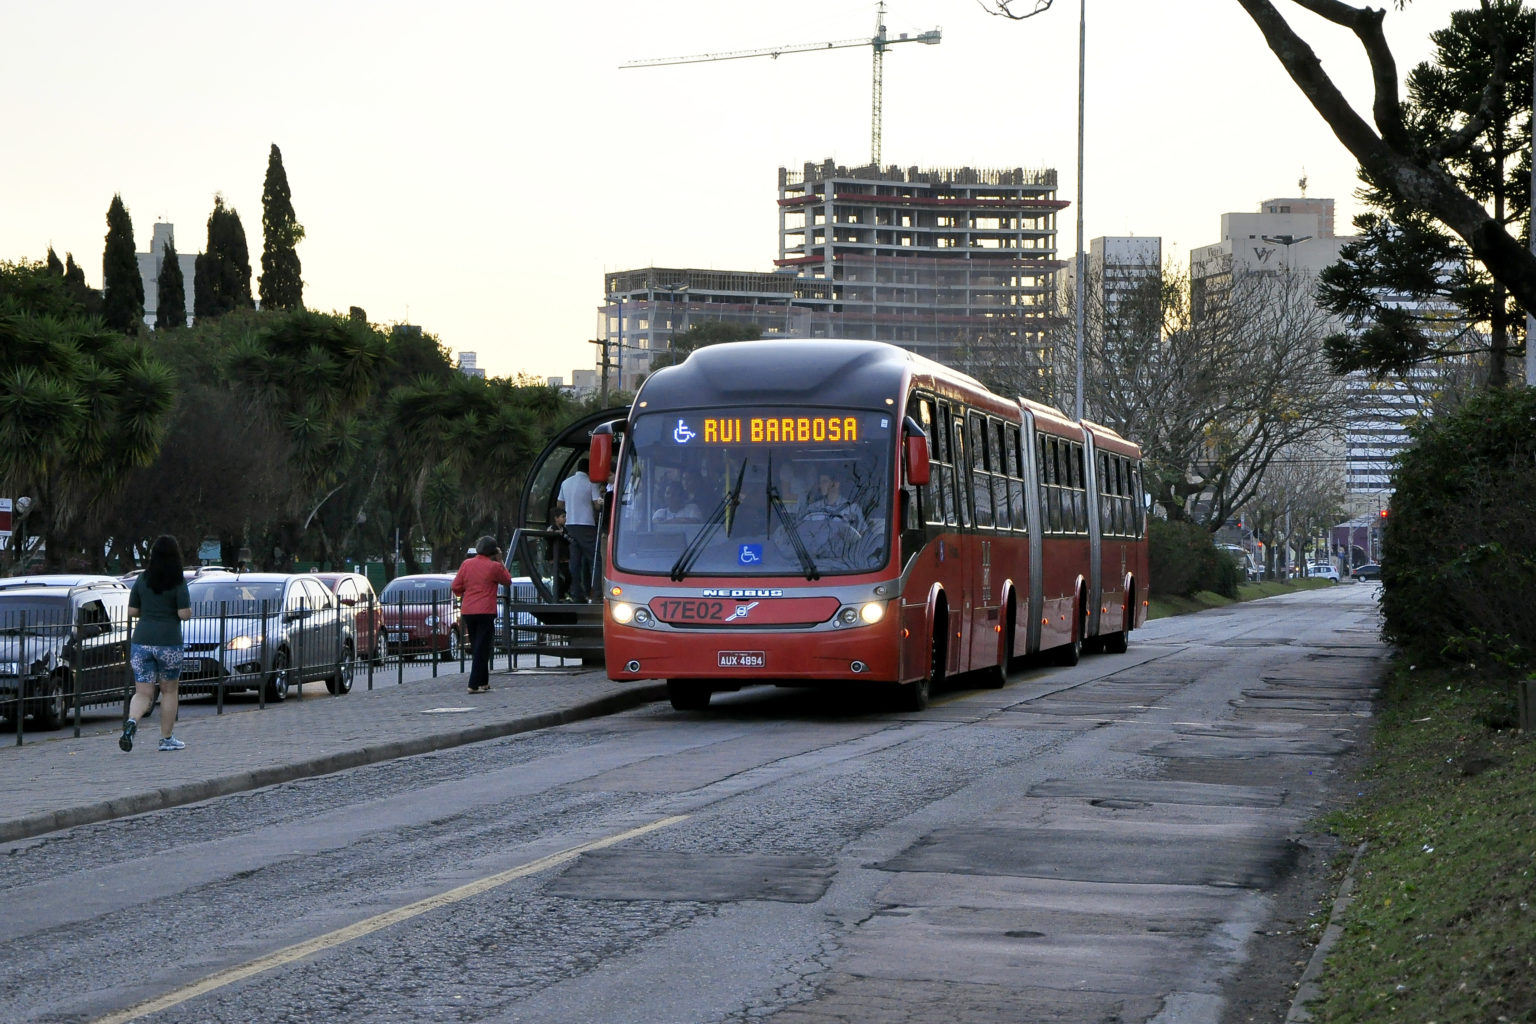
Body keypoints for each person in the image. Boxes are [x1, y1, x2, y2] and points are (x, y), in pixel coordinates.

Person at [119, 534, 192, 753]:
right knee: (169, 690)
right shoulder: (178, 581)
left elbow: (132, 611)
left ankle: (132, 722)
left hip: (141, 642)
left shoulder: (143, 579)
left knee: (143, 692)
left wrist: (149, 610)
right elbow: (184, 614)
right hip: (169, 642)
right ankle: (166, 738)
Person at [452, 535, 513, 694]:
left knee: (478, 645)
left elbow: (456, 586)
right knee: (482, 647)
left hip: (468, 611)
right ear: (493, 551)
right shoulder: (494, 567)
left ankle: (483, 681)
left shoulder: (466, 564)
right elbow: (507, 580)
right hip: (486, 610)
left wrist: (465, 592)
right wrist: (500, 560)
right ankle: (473, 684)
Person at [556, 458, 602, 602]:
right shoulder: (591, 483)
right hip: (586, 525)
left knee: (574, 562)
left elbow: (560, 503)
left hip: (570, 525)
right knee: (595, 560)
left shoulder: (566, 482)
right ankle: (596, 594)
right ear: (589, 470)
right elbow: (597, 505)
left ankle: (577, 594)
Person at [805, 468, 865, 534]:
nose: (821, 485)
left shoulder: (853, 509)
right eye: (820, 482)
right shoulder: (813, 508)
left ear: (836, 484)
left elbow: (862, 534)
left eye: (825, 481)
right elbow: (805, 531)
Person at [547, 509, 572, 601]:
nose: (565, 519)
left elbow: (569, 540)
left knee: (568, 577)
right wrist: (554, 534)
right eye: (563, 517)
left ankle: (562, 595)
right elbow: (548, 538)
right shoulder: (552, 528)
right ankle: (558, 596)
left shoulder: (565, 529)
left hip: (564, 558)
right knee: (559, 578)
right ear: (556, 518)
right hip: (555, 558)